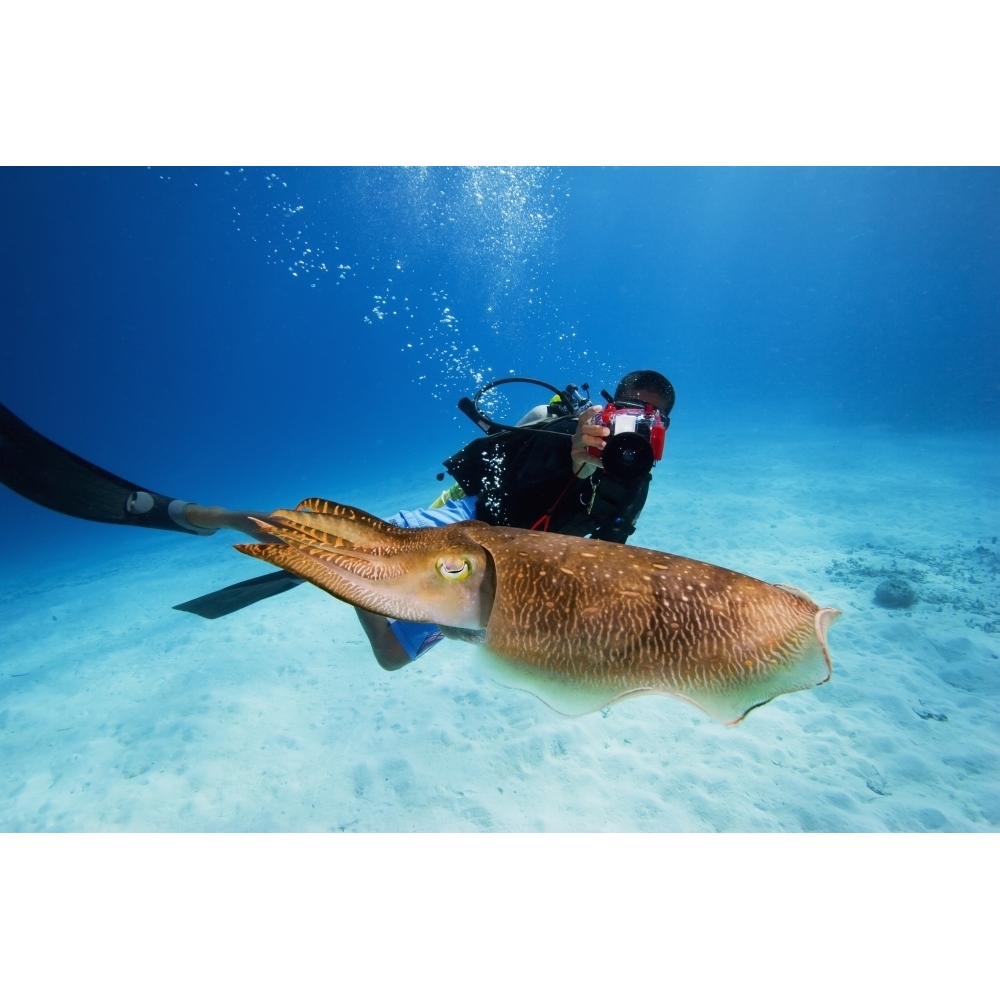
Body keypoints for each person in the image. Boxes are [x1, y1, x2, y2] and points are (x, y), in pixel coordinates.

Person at [358, 369, 675, 669]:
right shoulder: (565, 431)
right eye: (628, 413)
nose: (634, 431)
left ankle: (360, 588)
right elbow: (510, 481)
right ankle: (350, 574)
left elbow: (606, 555)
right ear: (610, 409)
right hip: (475, 521)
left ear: (664, 428)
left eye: (649, 421)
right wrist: (574, 458)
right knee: (361, 541)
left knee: (392, 655)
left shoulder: (636, 487)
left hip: (519, 566)